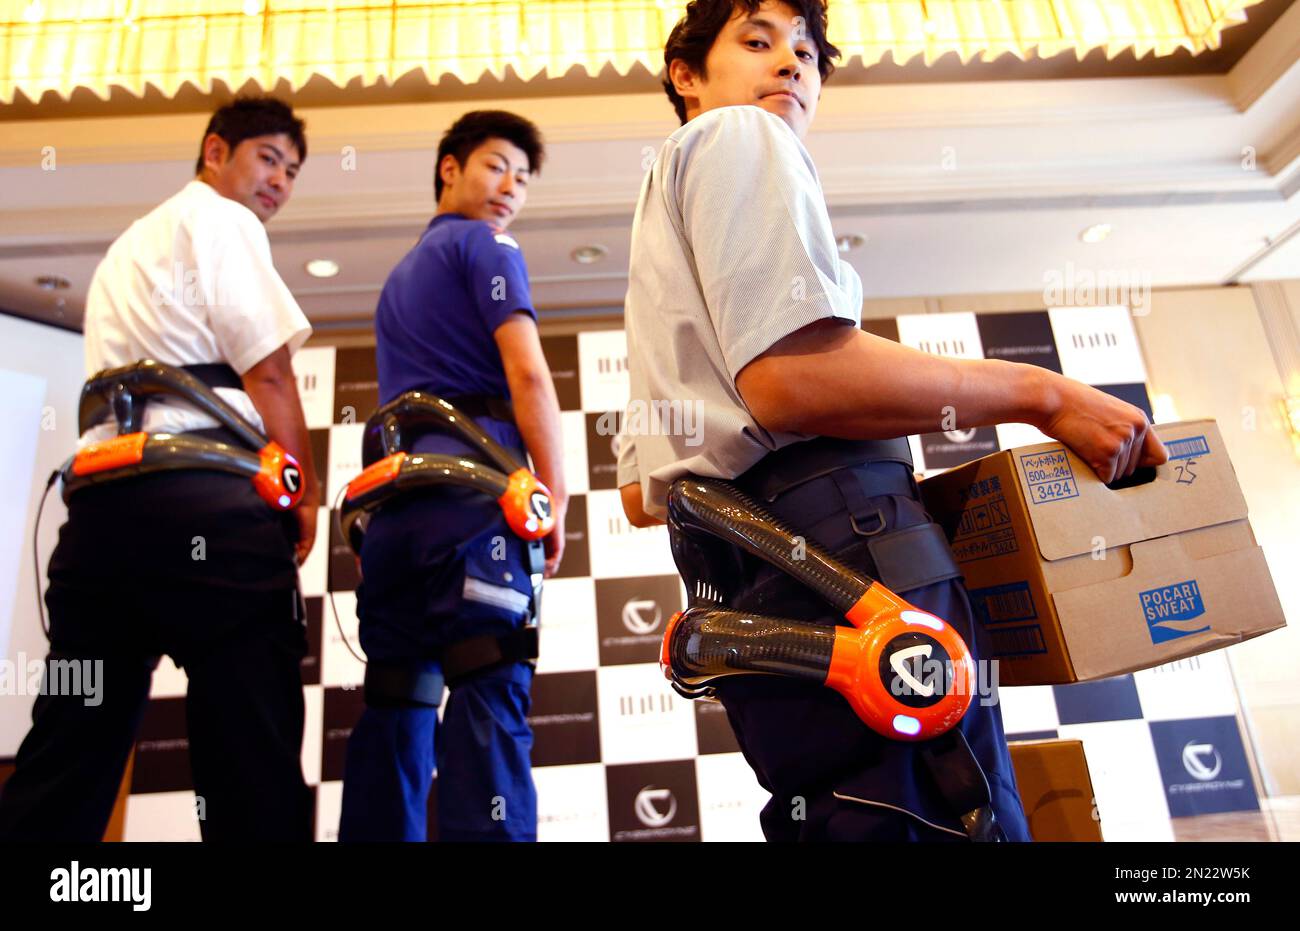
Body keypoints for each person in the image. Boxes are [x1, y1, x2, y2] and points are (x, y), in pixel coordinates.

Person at [616, 0, 1168, 841]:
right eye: (757, 42)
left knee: (858, 815)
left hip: (755, 570)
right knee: (953, 815)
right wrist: (1045, 395)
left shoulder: (660, 211)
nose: (792, 65)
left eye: (807, 52)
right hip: (845, 545)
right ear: (685, 77)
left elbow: (635, 492)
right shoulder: (741, 139)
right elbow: (792, 379)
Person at [0, 96, 319, 841]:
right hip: (210, 507)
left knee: (67, 756)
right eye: (267, 158)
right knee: (252, 755)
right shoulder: (222, 219)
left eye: (293, 171)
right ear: (215, 151)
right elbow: (268, 370)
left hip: (103, 516)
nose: (278, 180)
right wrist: (302, 498)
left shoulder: (123, 251)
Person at [338, 111, 565, 842]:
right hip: (473, 506)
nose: (511, 190)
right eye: (497, 166)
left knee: (398, 704)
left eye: (523, 180)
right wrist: (554, 498)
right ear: (450, 167)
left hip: (395, 521)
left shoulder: (398, 278)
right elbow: (527, 372)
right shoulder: (486, 244)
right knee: (488, 694)